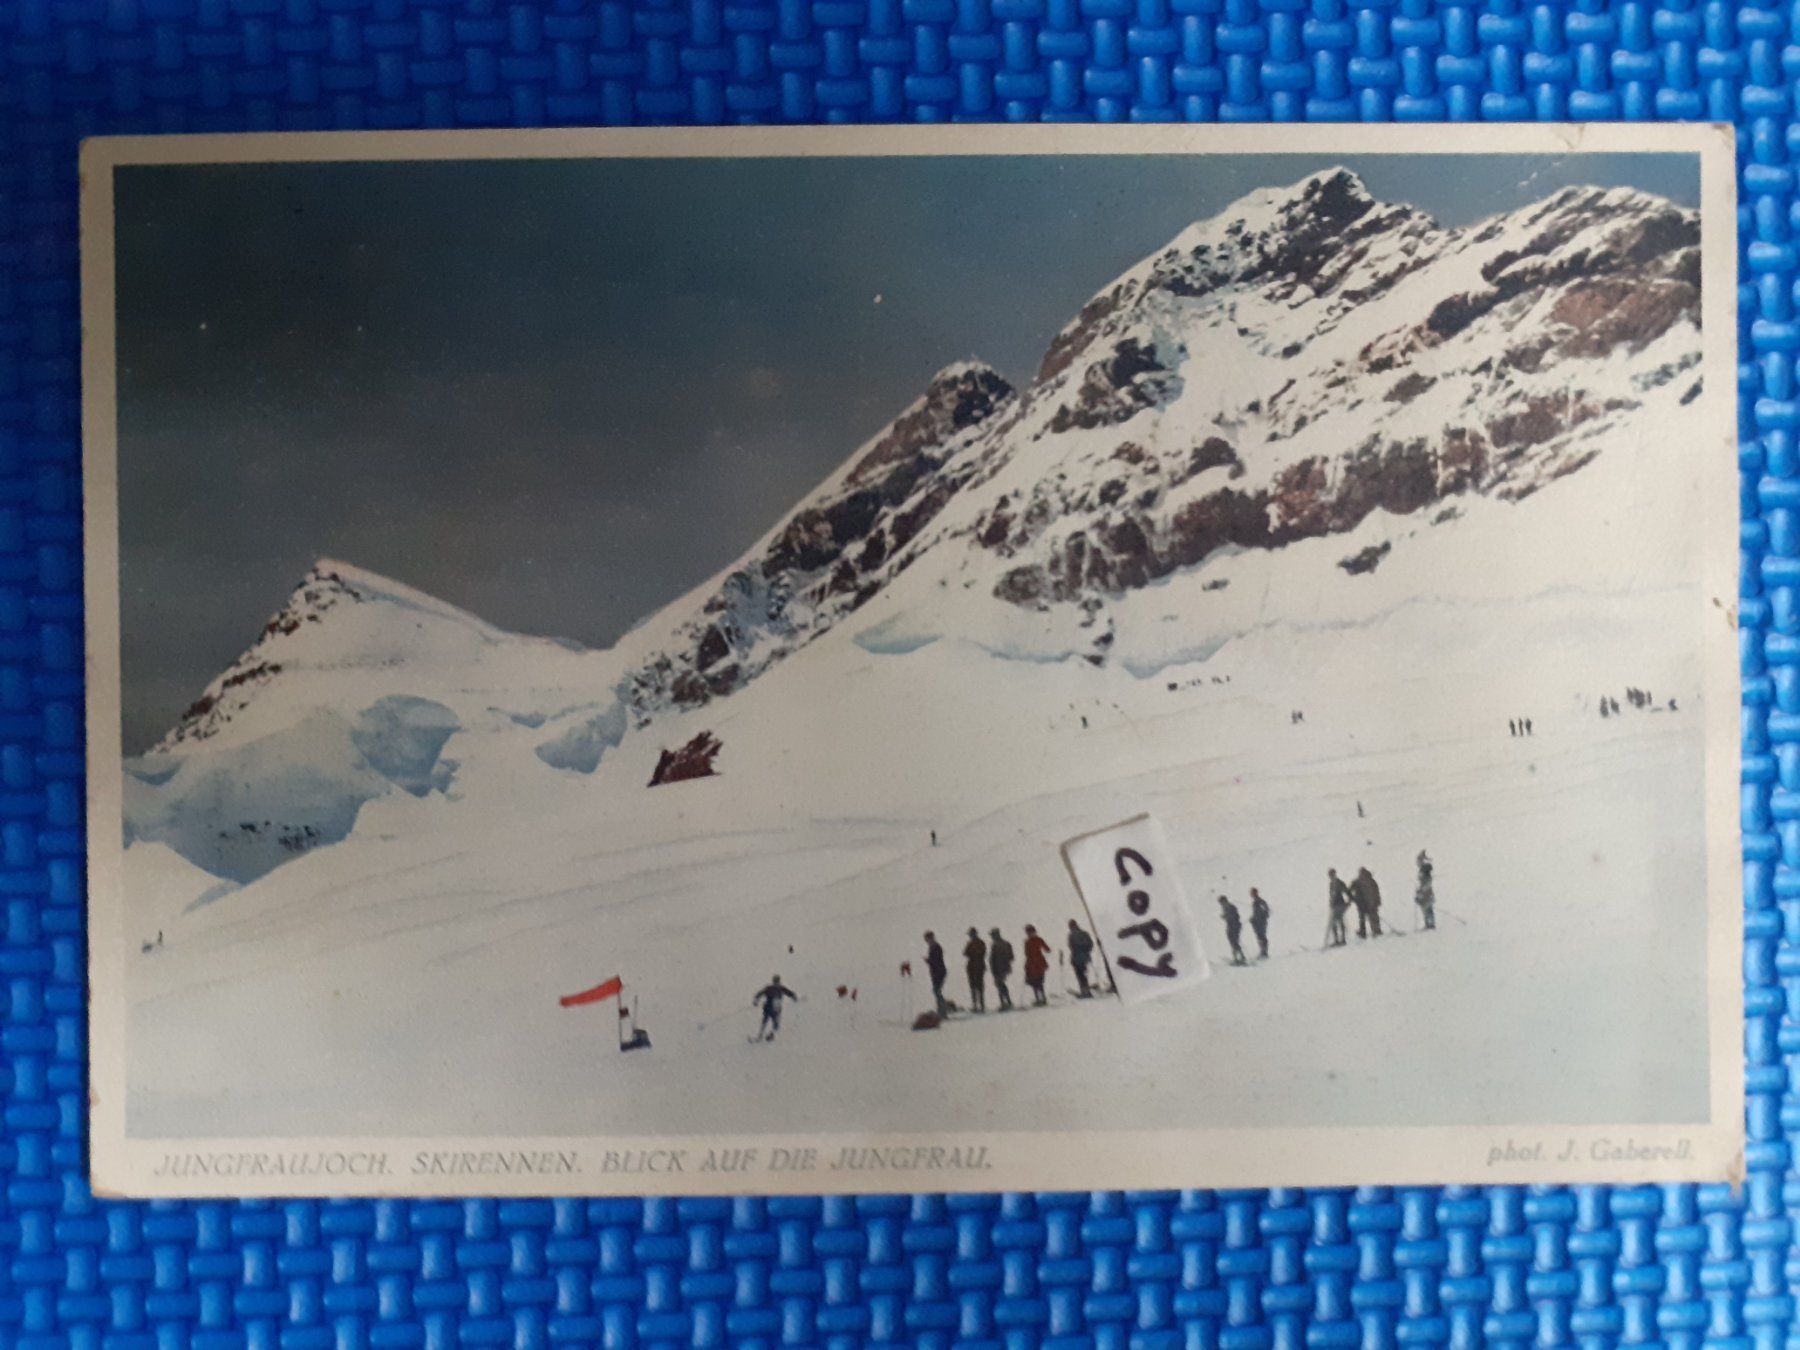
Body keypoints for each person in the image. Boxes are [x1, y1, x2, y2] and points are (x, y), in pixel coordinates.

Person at [752, 974, 799, 1042]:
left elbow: (760, 993)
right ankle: (767, 1035)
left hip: (769, 1008)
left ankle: (763, 1035)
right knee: (774, 1024)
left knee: (767, 1022)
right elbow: (790, 993)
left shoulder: (770, 988)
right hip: (774, 1009)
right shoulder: (780, 988)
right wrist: (794, 997)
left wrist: (756, 1000)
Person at [1023, 925, 1052, 1006]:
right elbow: (1048, 949)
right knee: (1039, 982)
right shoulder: (1039, 940)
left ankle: (1039, 999)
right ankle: (1042, 998)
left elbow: (1027, 954)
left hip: (1033, 964)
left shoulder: (1027, 942)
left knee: (1034, 982)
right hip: (1040, 963)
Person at [988, 927, 1015, 1010]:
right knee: (1001, 985)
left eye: (992, 935)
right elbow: (1011, 957)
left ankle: (1004, 1003)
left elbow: (992, 958)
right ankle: (1007, 1002)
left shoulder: (995, 945)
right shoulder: (1006, 943)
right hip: (1004, 968)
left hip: (998, 968)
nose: (991, 937)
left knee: (1000, 985)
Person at [1352, 866, 1383, 938]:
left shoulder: (1363, 881)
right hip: (1367, 903)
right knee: (1371, 917)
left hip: (1368, 903)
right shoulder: (1369, 880)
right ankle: (1375, 930)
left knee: (1369, 917)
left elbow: (1373, 893)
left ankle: (1373, 931)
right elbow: (1376, 892)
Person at [1068, 919, 1096, 997]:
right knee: (1084, 975)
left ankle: (1084, 992)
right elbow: (1091, 944)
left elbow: (1071, 946)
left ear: (1071, 926)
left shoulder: (1071, 935)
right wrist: (1086, 952)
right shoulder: (1085, 933)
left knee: (1080, 976)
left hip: (1076, 958)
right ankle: (1087, 991)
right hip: (1085, 958)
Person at [923, 931, 949, 1015]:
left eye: (927, 939)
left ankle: (943, 1010)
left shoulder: (936, 947)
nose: (927, 941)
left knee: (937, 991)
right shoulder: (932, 947)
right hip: (936, 972)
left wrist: (928, 961)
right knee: (936, 991)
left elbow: (936, 961)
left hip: (939, 972)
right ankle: (941, 1009)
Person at [963, 927, 987, 1012]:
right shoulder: (979, 943)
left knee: (976, 987)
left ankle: (978, 1005)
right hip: (976, 967)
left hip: (975, 967)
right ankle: (979, 1005)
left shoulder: (976, 943)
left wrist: (972, 953)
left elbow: (966, 953)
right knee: (977, 987)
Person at [1218, 896, 1247, 966]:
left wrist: (1225, 916)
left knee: (1234, 942)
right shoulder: (1226, 907)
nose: (1221, 904)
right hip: (1232, 926)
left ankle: (1240, 958)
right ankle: (1239, 957)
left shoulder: (1230, 907)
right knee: (1233, 942)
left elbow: (1235, 916)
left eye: (1221, 902)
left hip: (1234, 926)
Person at [1327, 868, 1352, 947]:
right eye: (1330, 875)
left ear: (1335, 874)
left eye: (1332, 874)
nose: (1331, 876)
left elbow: (1347, 892)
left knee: (1338, 922)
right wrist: (1331, 903)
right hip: (1334, 906)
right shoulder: (1331, 884)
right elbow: (1331, 895)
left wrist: (1349, 902)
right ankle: (1337, 940)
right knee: (1335, 923)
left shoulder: (1339, 883)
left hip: (1340, 905)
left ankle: (1342, 940)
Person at [1415, 852, 1436, 931]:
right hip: (1425, 893)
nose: (1417, 863)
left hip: (1427, 893)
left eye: (1418, 861)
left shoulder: (1425, 870)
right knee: (1425, 908)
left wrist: (1421, 891)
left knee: (1428, 908)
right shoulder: (1422, 870)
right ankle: (1428, 923)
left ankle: (1430, 924)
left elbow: (1427, 883)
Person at [1249, 888, 1271, 959]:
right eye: (1251, 893)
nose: (1251, 894)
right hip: (1256, 923)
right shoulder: (1255, 902)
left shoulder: (1261, 901)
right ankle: (1262, 952)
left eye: (1252, 893)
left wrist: (1261, 918)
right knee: (1259, 937)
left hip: (1261, 922)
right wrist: (1253, 918)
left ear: (1256, 893)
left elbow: (1266, 911)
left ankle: (1264, 953)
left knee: (1262, 936)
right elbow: (1256, 913)